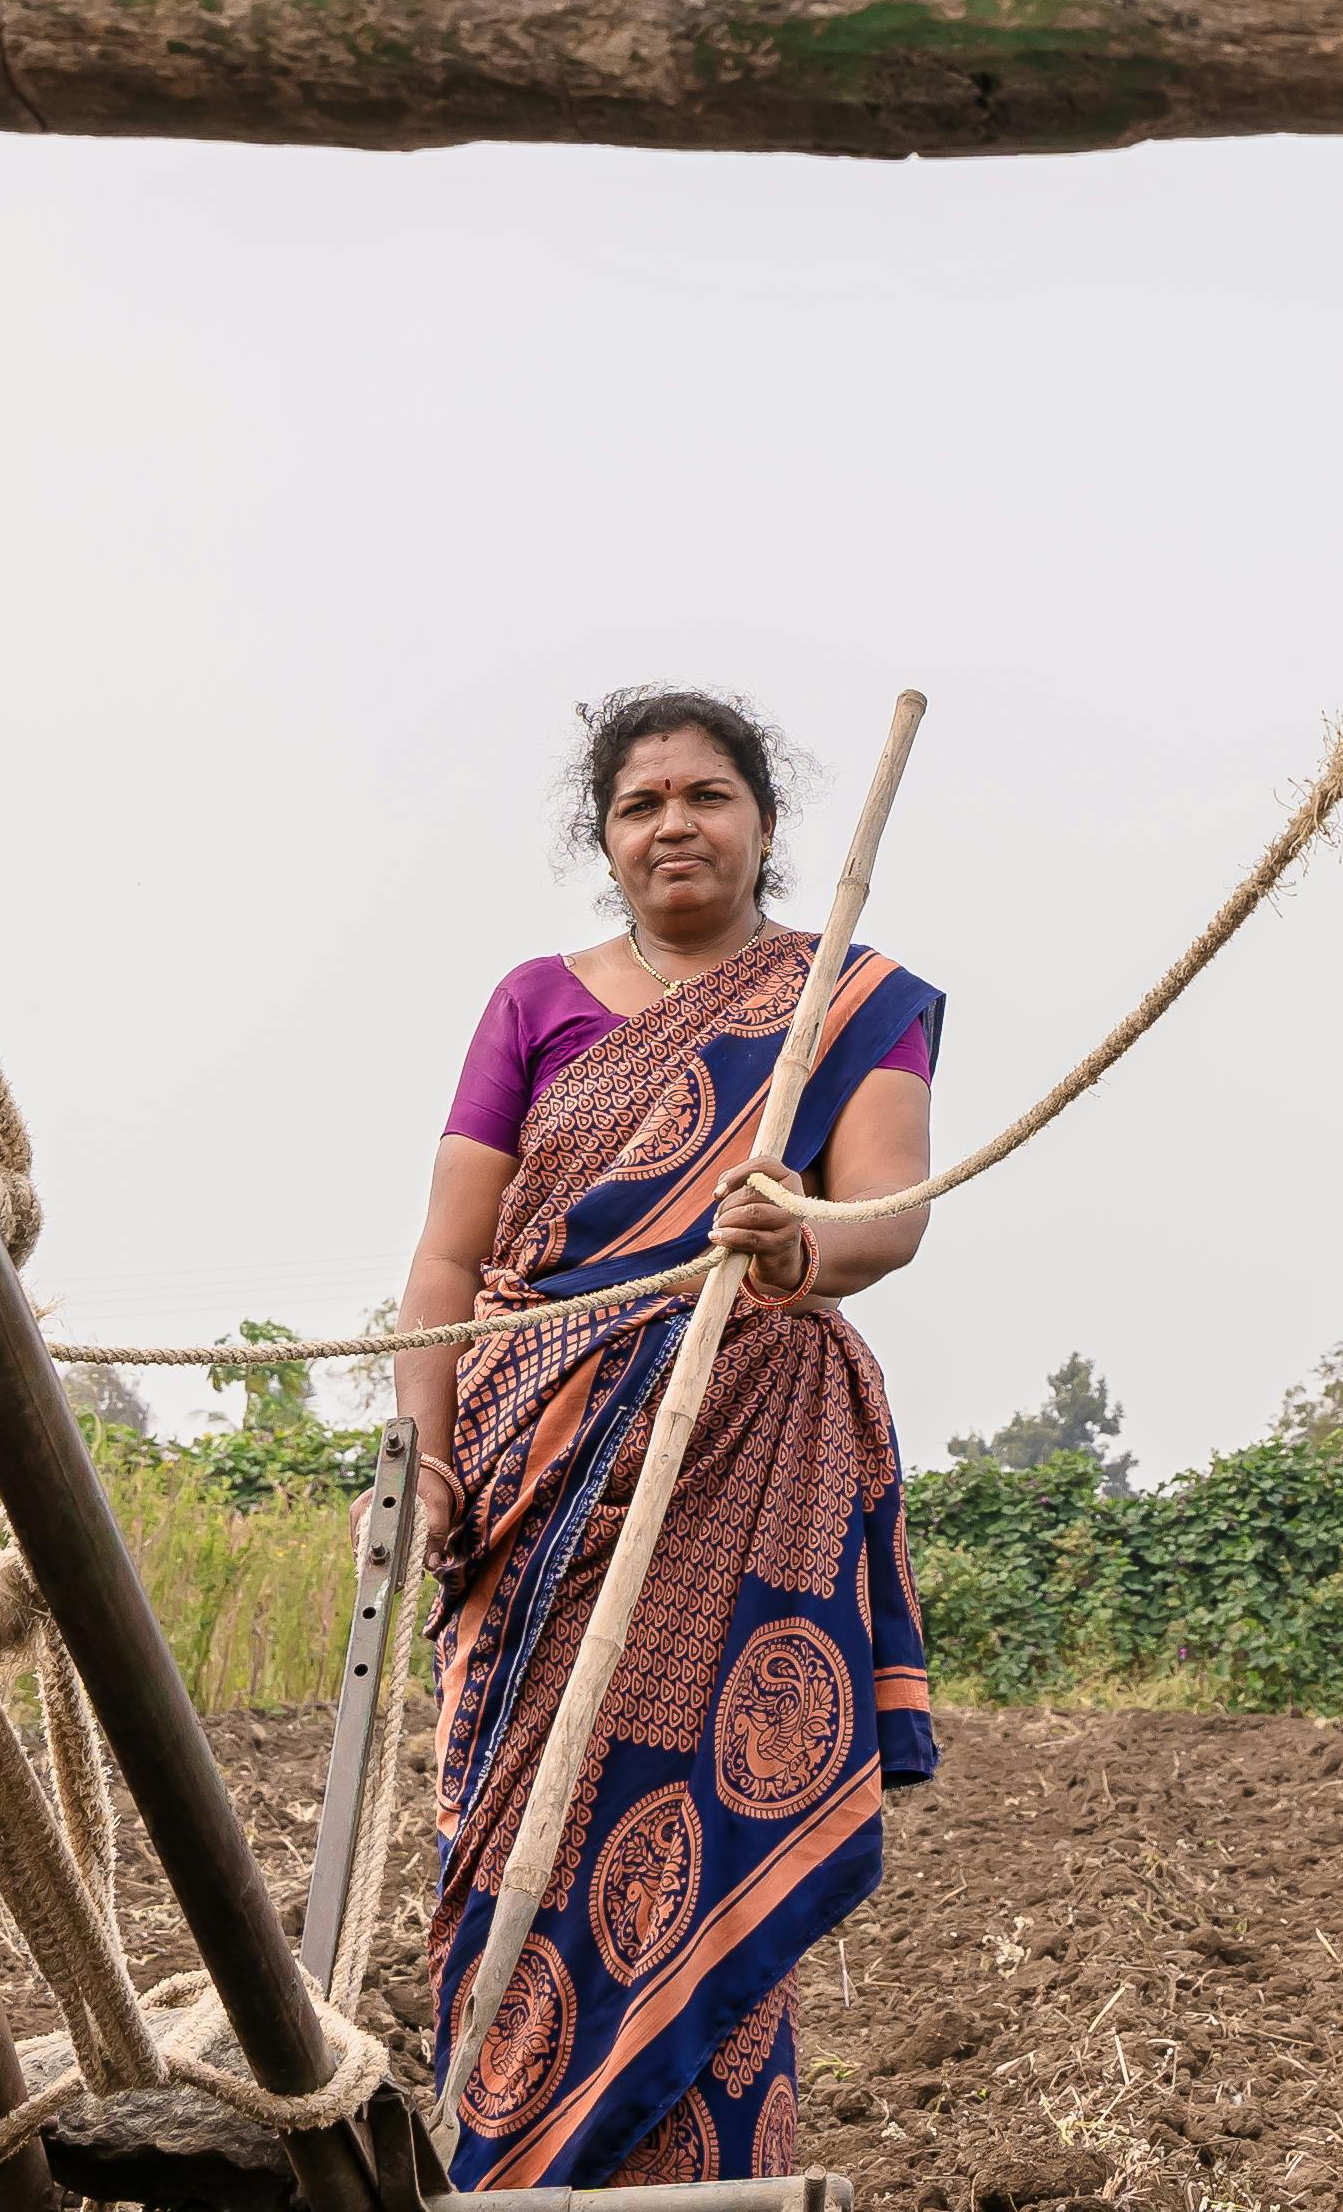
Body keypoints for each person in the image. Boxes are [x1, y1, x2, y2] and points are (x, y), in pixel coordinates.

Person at [392, 684, 944, 2192]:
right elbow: (447, 1265)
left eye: (706, 796)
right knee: (517, 1829)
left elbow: (888, 1212)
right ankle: (503, 2162)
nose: (674, 825)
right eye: (641, 805)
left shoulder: (856, 994)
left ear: (764, 823)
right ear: (606, 839)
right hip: (534, 1459)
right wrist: (429, 1454)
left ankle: (694, 2184)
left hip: (746, 1432)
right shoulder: (534, 1001)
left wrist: (797, 1242)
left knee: (698, 1812)